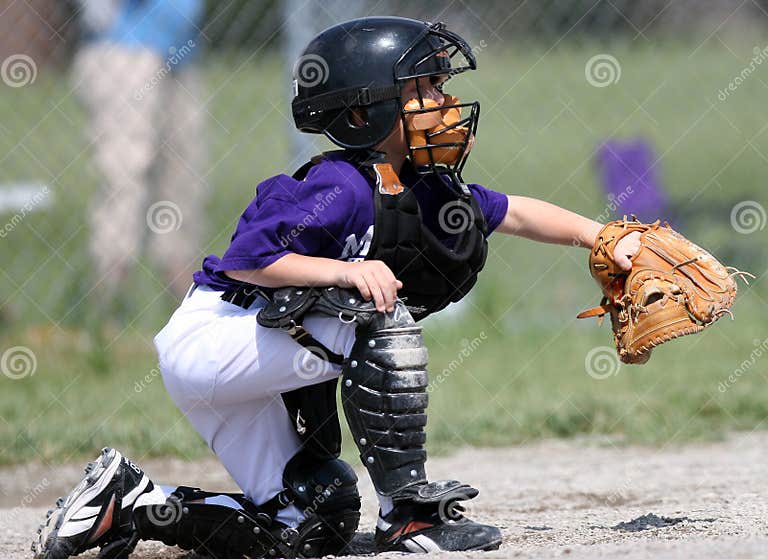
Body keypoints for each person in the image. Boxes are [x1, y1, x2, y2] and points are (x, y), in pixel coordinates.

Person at [33, 16, 641, 559]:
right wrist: (342, 269)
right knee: (377, 312)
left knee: (313, 522)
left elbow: (515, 214)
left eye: (438, 86)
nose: (445, 101)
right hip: (217, 338)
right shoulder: (339, 186)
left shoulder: (428, 190)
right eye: (422, 91)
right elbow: (249, 261)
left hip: (262, 358)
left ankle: (130, 502)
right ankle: (410, 516)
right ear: (362, 114)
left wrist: (606, 237)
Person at [73, 0, 206, 303]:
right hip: (122, 46)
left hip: (180, 46)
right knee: (124, 176)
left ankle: (189, 307)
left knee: (183, 178)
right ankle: (105, 305)